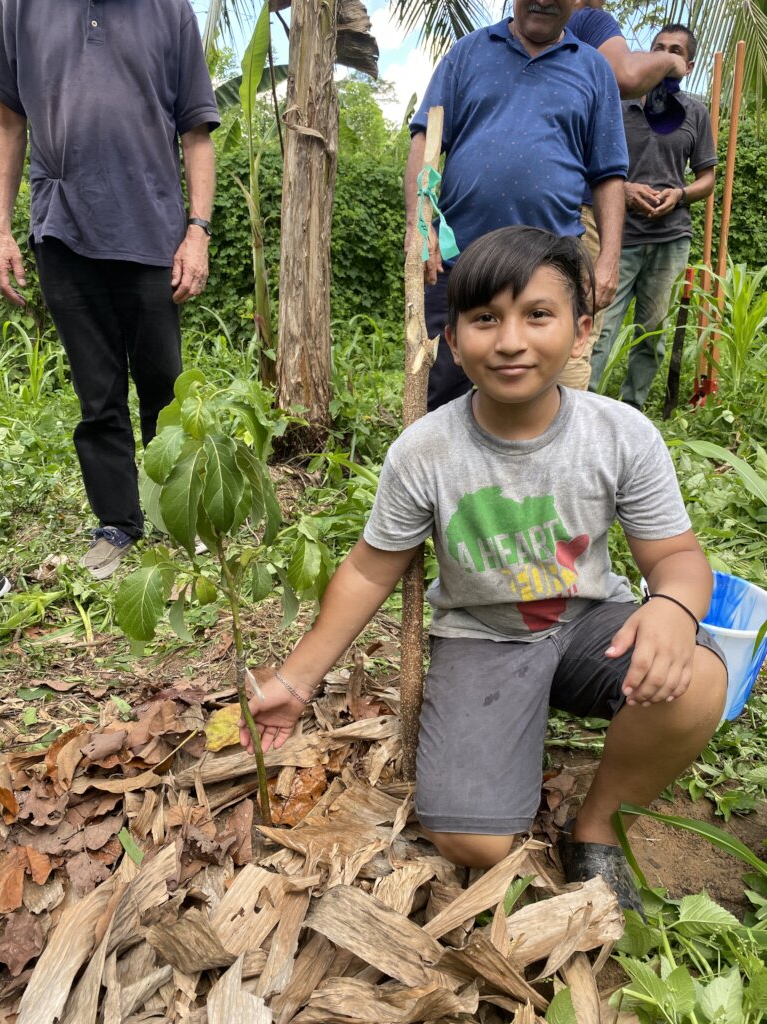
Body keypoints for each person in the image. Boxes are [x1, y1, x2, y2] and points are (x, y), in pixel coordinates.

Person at [239, 226, 727, 912]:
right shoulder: (426, 452)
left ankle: (598, 827)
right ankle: (504, 748)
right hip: (483, 639)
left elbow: (675, 557)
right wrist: (295, 679)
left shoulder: (620, 434)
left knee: (700, 677)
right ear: (453, 341)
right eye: (485, 319)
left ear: (582, 331)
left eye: (538, 314)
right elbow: (370, 572)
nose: (511, 340)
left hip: (593, 627)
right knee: (472, 841)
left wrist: (675, 610)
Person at [0, 1, 219, 579]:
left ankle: (177, 520)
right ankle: (118, 524)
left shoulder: (172, 11)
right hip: (61, 230)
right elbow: (8, 123)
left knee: (163, 390)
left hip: (151, 231)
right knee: (97, 394)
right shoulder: (17, 9)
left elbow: (197, 132)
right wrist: (0, 228)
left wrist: (196, 232)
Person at [404, 0, 629, 412]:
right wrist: (421, 227)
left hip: (551, 269)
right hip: (461, 262)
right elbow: (427, 140)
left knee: (553, 402)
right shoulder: (467, 53)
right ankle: (437, 477)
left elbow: (609, 173)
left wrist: (609, 258)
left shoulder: (593, 69)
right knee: (441, 394)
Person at [588, 25, 716, 408]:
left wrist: (679, 195)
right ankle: (586, 405)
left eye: (674, 50)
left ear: (687, 65)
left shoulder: (696, 112)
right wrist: (623, 191)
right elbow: (592, 166)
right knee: (599, 326)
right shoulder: (617, 103)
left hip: (670, 237)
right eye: (658, 47)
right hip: (618, 234)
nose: (665, 54)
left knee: (653, 330)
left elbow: (707, 178)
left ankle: (633, 409)